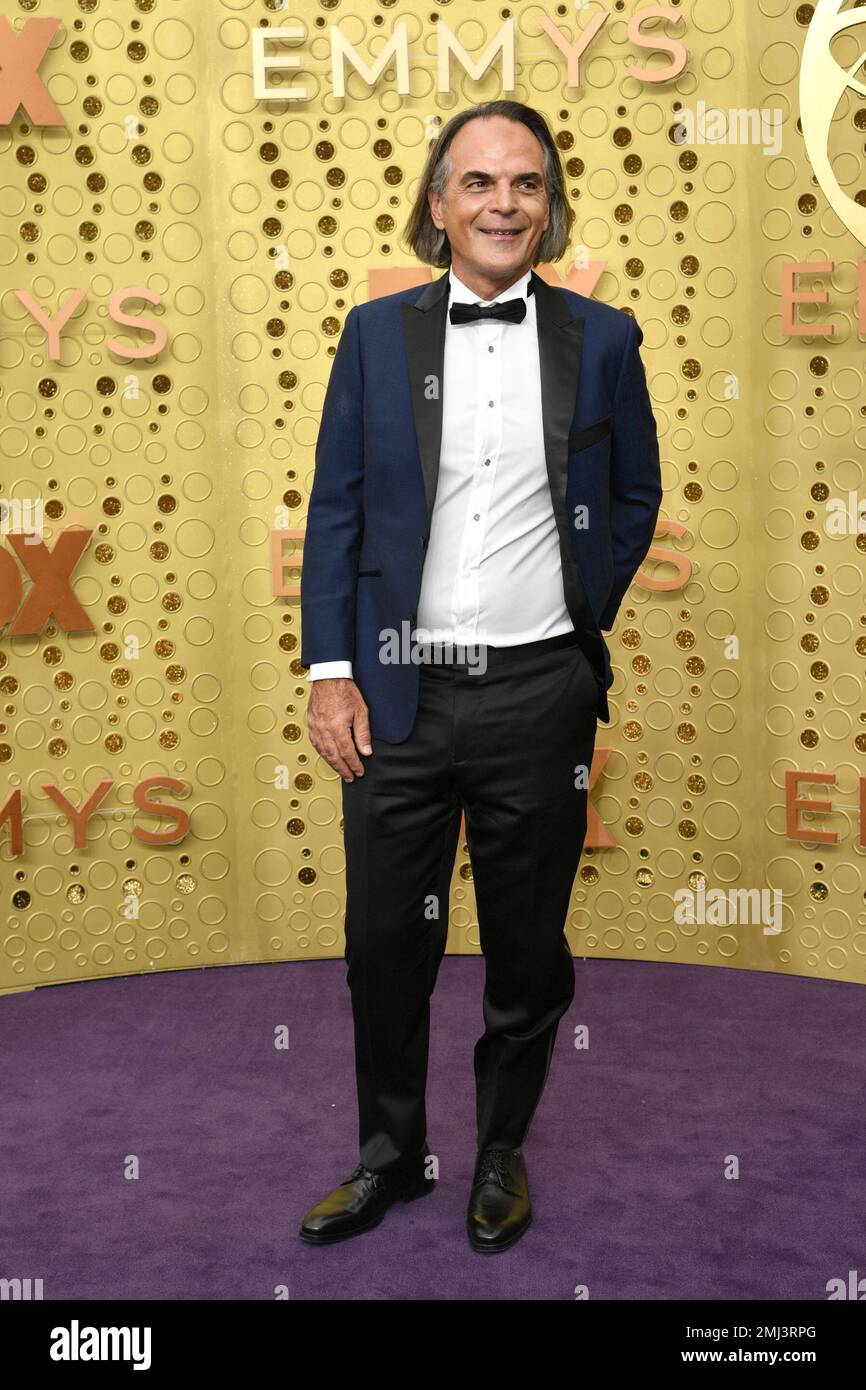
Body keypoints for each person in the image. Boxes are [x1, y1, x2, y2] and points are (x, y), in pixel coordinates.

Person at [297, 99, 662, 1253]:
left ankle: (498, 1153)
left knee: (524, 946)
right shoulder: (373, 335)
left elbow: (636, 492)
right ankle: (389, 1156)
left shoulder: (603, 339)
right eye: (479, 183)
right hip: (397, 691)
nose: (503, 203)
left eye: (526, 184)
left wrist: (575, 610)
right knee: (382, 944)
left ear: (546, 209)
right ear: (438, 205)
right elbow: (339, 512)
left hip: (535, 695)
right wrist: (331, 668)